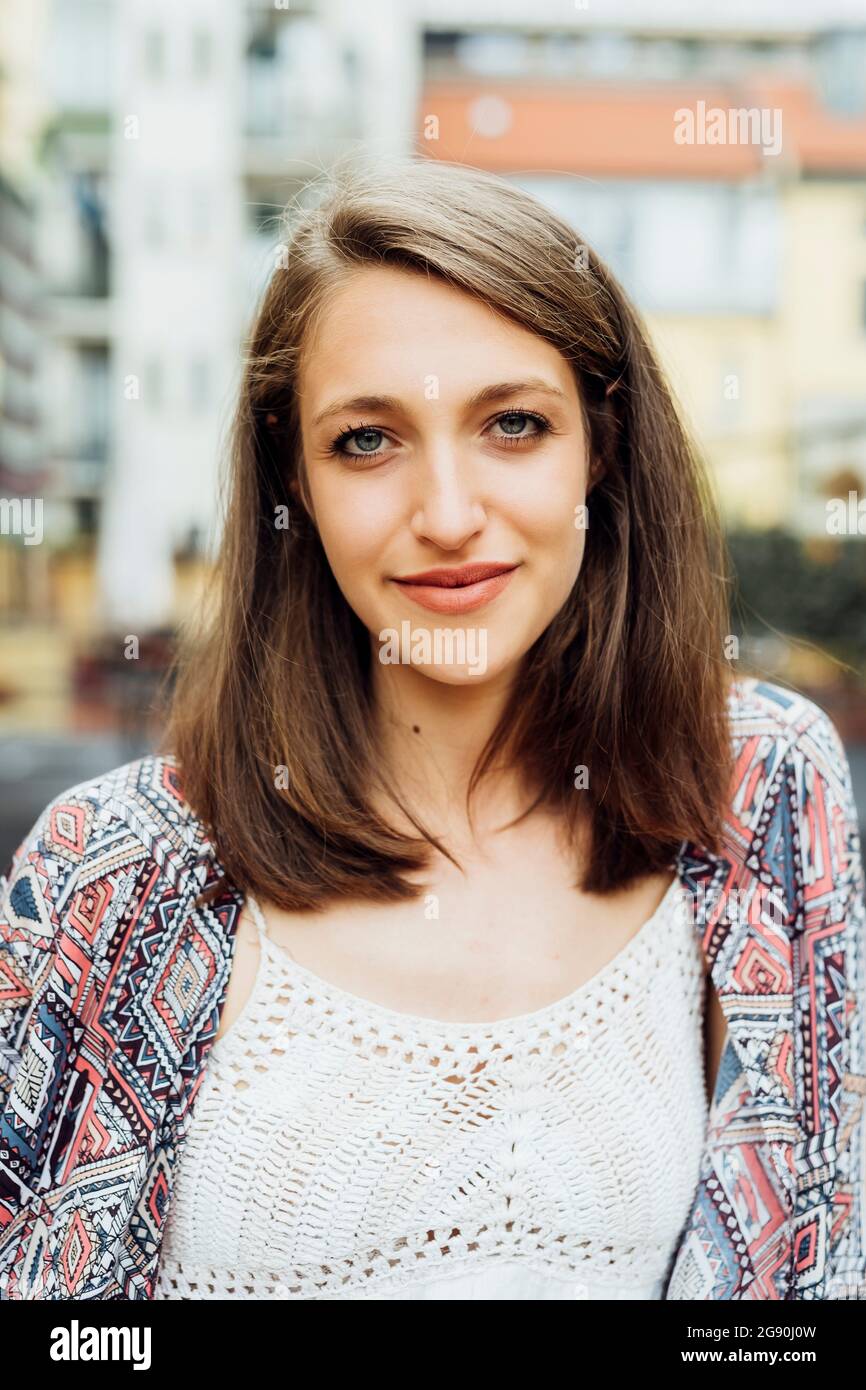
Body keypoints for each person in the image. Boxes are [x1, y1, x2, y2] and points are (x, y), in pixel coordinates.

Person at [1, 156, 864, 1301]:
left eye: (512, 423)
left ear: (599, 450)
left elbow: (804, 1287)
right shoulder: (115, 874)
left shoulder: (759, 794)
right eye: (367, 439)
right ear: (292, 481)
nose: (449, 516)